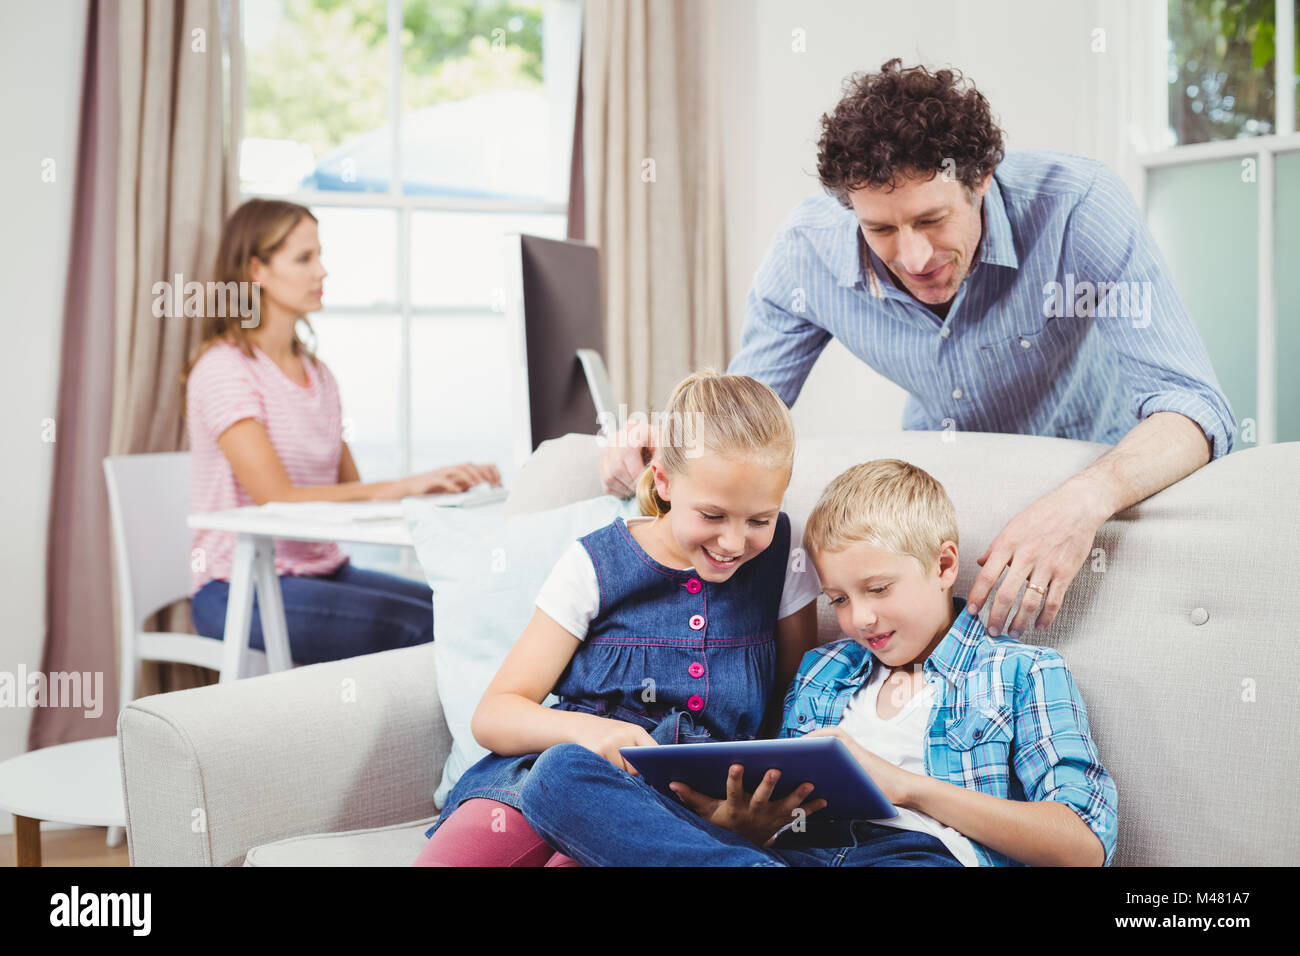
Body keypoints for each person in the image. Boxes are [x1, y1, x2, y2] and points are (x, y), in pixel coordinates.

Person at [599, 58, 1236, 644]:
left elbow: (1196, 408)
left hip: (1092, 472)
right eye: (880, 229)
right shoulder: (805, 252)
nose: (914, 258)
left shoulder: (1079, 208)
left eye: (932, 220)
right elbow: (744, 420)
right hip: (945, 489)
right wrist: (669, 436)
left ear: (982, 178)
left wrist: (1081, 501)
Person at [517, 459, 1118, 867]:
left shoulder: (1022, 674)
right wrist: (745, 823)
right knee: (559, 777)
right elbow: (778, 819)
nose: (859, 620)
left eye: (878, 589)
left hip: (913, 856)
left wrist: (904, 785)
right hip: (790, 856)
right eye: (838, 599)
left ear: (942, 566)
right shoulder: (821, 671)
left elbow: (1083, 843)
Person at [412, 370, 822, 866]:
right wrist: (592, 734)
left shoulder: (785, 556)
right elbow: (495, 713)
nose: (734, 542)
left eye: (758, 519)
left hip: (676, 809)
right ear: (665, 481)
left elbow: (790, 711)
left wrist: (749, 812)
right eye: (712, 515)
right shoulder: (596, 563)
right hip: (545, 773)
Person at [184, 198, 501, 664]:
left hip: (322, 571)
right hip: (237, 587)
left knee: (464, 610)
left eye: (320, 255)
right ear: (257, 271)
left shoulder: (318, 374)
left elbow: (352, 491)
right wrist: (402, 485)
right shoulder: (224, 371)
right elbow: (277, 497)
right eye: (304, 258)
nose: (322, 272)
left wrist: (435, 483)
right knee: (426, 629)